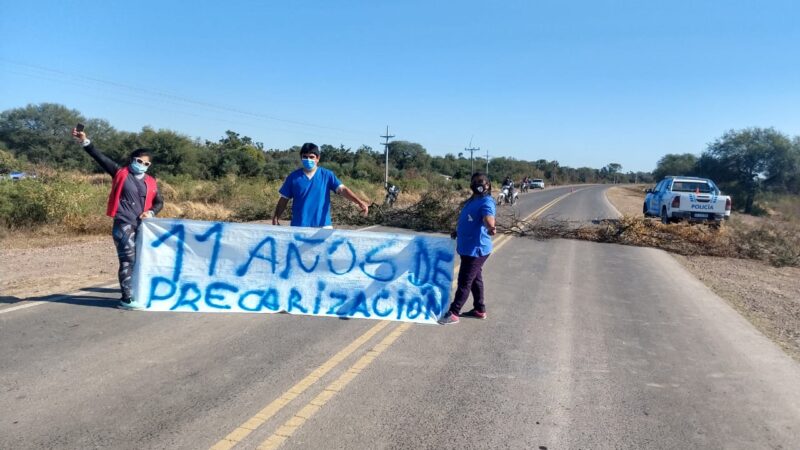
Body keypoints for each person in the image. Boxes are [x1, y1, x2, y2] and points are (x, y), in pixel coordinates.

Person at [72, 127, 164, 310]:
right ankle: (126, 299)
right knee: (128, 259)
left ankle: (137, 291)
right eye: (139, 161)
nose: (142, 165)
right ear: (132, 160)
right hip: (124, 224)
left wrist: (151, 213)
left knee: (142, 260)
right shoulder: (120, 173)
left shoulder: (151, 182)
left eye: (146, 164)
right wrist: (84, 141)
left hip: (143, 227)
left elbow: (159, 203)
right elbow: (100, 158)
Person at [439, 172, 497, 324]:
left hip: (476, 250)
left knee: (465, 281)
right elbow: (469, 221)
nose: (479, 184)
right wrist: (458, 231)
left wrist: (491, 226)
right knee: (475, 279)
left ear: (488, 185)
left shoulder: (486, 201)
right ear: (471, 185)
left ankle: (454, 312)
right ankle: (479, 309)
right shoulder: (472, 200)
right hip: (467, 248)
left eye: (482, 182)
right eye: (476, 181)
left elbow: (487, 217)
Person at [272, 143, 369, 227]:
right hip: (299, 226)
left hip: (323, 227)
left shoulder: (327, 175)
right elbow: (284, 199)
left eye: (311, 157)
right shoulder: (293, 177)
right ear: (301, 158)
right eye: (305, 157)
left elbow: (342, 190)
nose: (308, 159)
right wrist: (276, 217)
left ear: (318, 158)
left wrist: (359, 202)